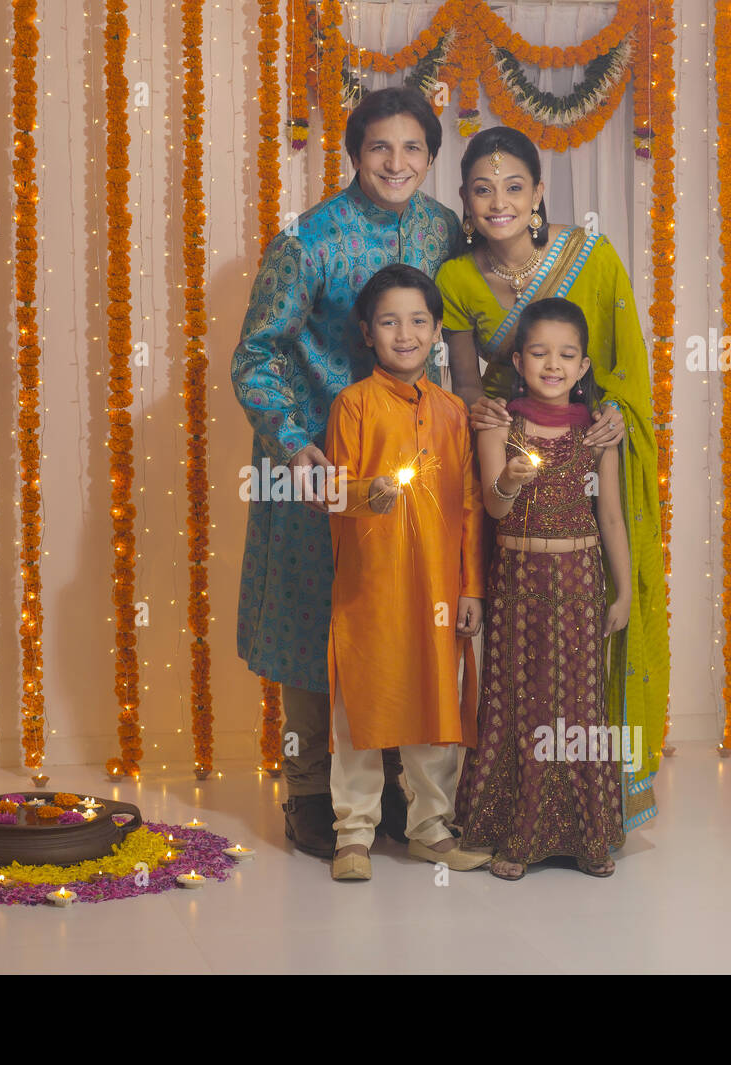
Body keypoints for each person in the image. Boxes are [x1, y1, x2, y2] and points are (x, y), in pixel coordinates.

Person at [232, 88, 464, 858]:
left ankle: (395, 791)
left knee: (401, 617)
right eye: (378, 148)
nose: (396, 164)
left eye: (413, 151)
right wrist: (297, 445)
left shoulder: (441, 229)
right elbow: (257, 353)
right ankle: (306, 792)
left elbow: (462, 326)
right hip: (321, 469)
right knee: (315, 626)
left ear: (431, 158)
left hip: (413, 466)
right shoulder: (309, 238)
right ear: (353, 153)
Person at [436, 126, 668, 833]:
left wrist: (616, 420)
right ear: (466, 202)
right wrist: (497, 446)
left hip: (585, 450)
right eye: (482, 189)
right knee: (516, 669)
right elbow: (474, 388)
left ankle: (585, 807)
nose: (498, 201)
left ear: (538, 193)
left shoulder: (592, 258)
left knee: (575, 672)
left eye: (513, 187)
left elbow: (625, 366)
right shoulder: (455, 278)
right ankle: (514, 802)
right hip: (510, 459)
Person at [323, 264, 488, 881]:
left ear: (438, 330)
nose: (405, 333)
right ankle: (353, 836)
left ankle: (430, 829)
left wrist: (471, 587)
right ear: (367, 332)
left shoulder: (452, 414)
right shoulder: (354, 405)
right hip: (371, 588)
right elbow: (331, 492)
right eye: (389, 321)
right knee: (360, 709)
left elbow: (470, 506)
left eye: (419, 320)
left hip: (439, 589)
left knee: (435, 708)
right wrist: (370, 493)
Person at [454, 297, 629, 880]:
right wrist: (507, 478)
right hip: (518, 579)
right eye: (539, 353)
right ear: (519, 358)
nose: (552, 364)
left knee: (579, 703)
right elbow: (494, 509)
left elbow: (610, 517)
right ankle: (515, 832)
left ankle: (587, 836)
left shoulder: (601, 431)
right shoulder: (499, 422)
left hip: (580, 579)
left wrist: (623, 593)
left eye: (566, 355)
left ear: (582, 367)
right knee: (517, 701)